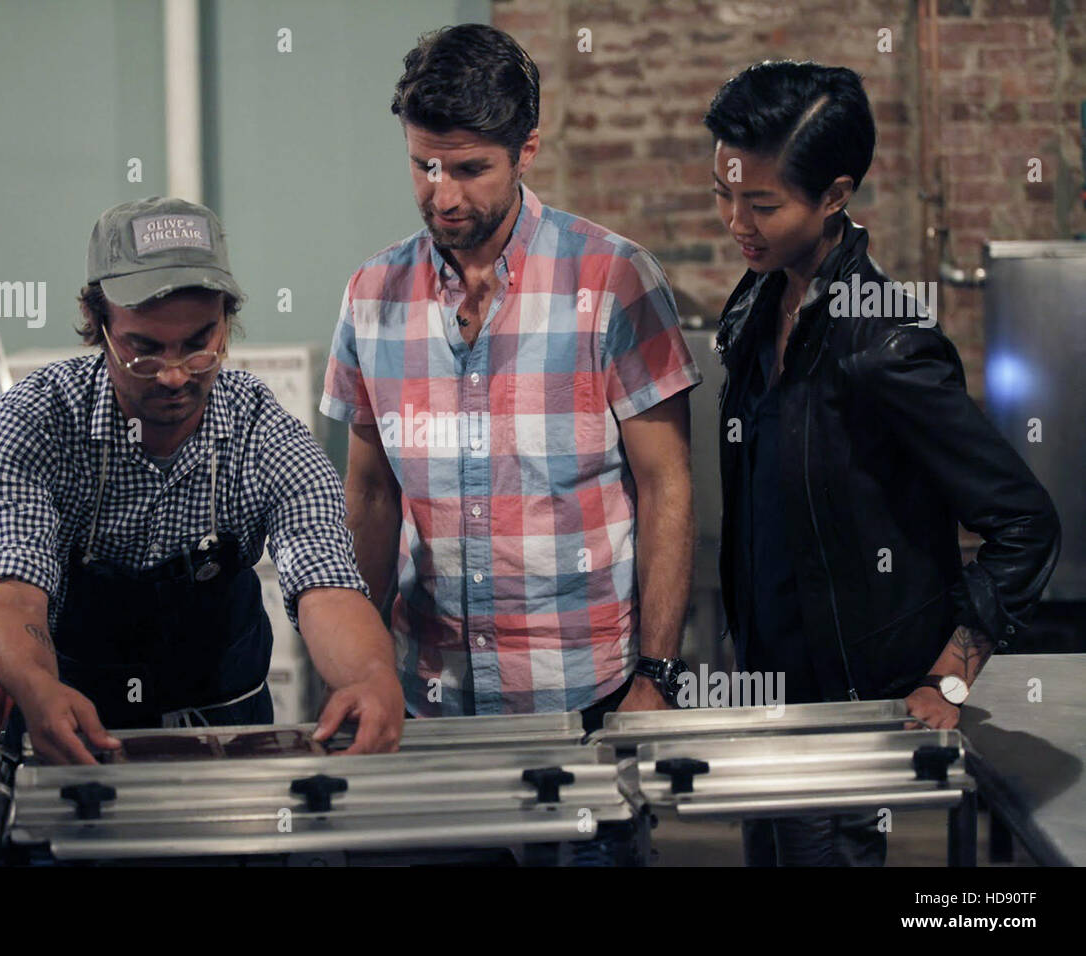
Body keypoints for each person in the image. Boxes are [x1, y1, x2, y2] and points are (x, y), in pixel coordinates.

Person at [705, 61, 1060, 864]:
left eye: (761, 204)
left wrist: (949, 681)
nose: (736, 222)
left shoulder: (886, 344)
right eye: (724, 193)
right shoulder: (757, 306)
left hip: (850, 715)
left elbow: (1026, 523)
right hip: (771, 699)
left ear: (834, 196)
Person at [321, 25, 701, 731]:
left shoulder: (613, 279)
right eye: (424, 167)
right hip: (425, 696)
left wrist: (657, 674)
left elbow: (666, 483)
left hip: (587, 692)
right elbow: (370, 494)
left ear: (526, 150)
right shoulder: (371, 294)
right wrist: (360, 672)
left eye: (469, 170)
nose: (443, 195)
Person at [0, 196, 404, 764]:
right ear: (100, 327)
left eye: (199, 345)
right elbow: (14, 593)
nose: (175, 376)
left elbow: (326, 583)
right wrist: (35, 687)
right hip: (70, 724)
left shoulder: (264, 436)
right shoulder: (34, 422)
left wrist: (372, 676)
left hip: (229, 732)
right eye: (143, 351)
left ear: (226, 321)